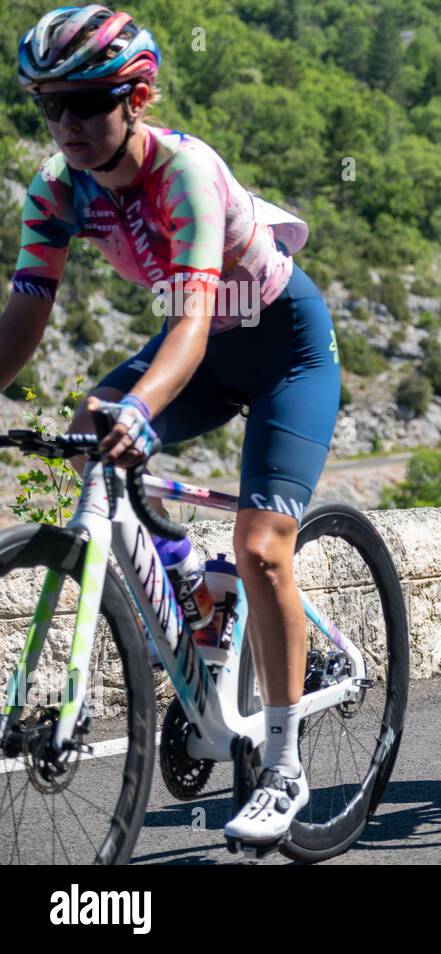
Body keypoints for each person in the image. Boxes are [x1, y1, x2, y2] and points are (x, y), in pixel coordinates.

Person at [0, 6, 340, 846]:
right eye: (51, 107)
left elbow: (189, 322)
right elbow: (23, 315)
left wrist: (143, 409)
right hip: (201, 348)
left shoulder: (184, 172)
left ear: (138, 97)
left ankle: (286, 766)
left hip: (282, 351)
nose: (67, 124)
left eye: (85, 102)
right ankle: (188, 579)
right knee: (89, 421)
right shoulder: (56, 188)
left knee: (263, 548)